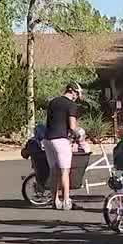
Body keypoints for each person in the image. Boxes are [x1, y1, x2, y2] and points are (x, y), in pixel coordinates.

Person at [44, 82, 83, 211]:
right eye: (77, 93)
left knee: (53, 171)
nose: (77, 96)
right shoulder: (71, 105)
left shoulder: (53, 102)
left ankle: (54, 200)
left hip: (48, 139)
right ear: (72, 91)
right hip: (60, 140)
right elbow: (72, 127)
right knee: (65, 171)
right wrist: (80, 135)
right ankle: (66, 201)